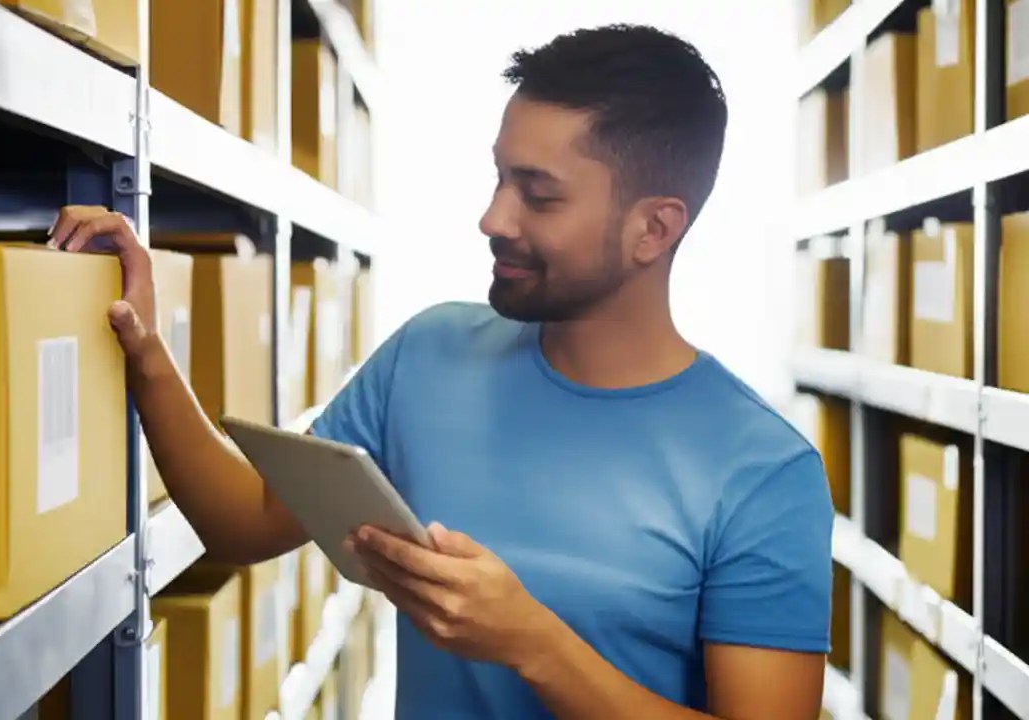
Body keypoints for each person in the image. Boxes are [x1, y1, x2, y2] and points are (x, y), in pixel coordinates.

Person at [50, 23, 832, 720]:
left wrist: (533, 643)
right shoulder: (429, 354)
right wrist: (144, 348)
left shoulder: (764, 472)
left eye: (539, 195)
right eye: (500, 177)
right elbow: (244, 521)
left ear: (653, 229)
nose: (494, 218)